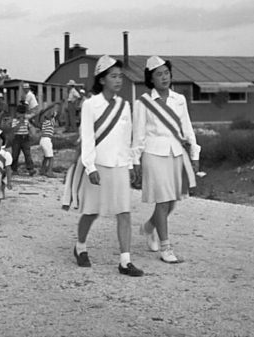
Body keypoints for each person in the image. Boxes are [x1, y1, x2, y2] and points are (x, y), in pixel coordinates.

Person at [66, 55, 143, 277]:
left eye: (120, 76)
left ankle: (125, 261)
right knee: (91, 212)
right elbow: (87, 137)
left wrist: (131, 163)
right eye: (113, 76)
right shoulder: (90, 105)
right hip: (98, 166)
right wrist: (90, 167)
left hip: (119, 165)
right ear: (101, 79)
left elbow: (127, 138)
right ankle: (80, 246)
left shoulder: (124, 105)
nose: (118, 80)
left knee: (124, 212)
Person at [133, 56, 201, 264]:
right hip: (153, 154)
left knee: (172, 202)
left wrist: (195, 154)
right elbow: (138, 135)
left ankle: (149, 227)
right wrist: (135, 161)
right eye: (159, 74)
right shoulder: (143, 103)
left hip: (176, 152)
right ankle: (166, 247)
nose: (164, 78)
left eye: (166, 73)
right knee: (162, 201)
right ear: (150, 79)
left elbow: (187, 128)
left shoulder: (179, 99)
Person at [10, 104, 35, 175]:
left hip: (25, 138)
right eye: (20, 113)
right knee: (15, 154)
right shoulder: (14, 121)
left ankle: (30, 169)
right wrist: (20, 123)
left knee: (27, 154)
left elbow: (30, 128)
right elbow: (14, 130)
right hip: (17, 139)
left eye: (23, 114)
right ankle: (14, 169)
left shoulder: (26, 121)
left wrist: (32, 134)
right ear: (17, 113)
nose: (21, 115)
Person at [38, 105, 58, 177]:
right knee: (51, 157)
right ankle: (49, 172)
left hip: (42, 140)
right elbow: (53, 115)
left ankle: (42, 170)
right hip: (47, 140)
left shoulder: (44, 122)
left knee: (46, 157)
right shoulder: (51, 121)